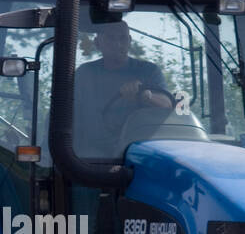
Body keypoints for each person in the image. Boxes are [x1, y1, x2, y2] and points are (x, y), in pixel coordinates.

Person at [73, 20, 173, 157]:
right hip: (92, 158)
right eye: (110, 38)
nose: (117, 44)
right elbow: (66, 115)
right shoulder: (85, 74)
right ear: (97, 43)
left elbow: (167, 105)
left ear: (129, 41)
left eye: (122, 38)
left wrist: (146, 95)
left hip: (138, 151)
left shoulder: (148, 71)